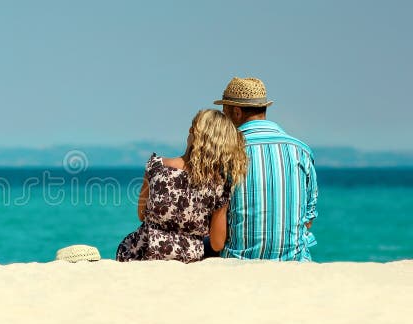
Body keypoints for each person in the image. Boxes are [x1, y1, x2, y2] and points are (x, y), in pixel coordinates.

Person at [116, 109, 247, 263]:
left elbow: (141, 214)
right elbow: (217, 243)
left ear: (192, 133)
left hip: (144, 251)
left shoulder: (156, 165)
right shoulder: (220, 184)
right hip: (189, 257)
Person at [213, 77, 319, 261]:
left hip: (239, 261)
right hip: (295, 262)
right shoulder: (301, 151)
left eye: (225, 113)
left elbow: (217, 229)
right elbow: (308, 220)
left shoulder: (226, 154)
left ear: (236, 112)